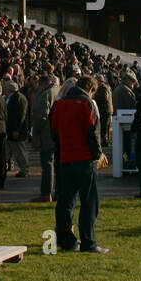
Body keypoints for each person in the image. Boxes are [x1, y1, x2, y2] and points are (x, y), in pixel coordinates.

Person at [50, 75, 108, 253]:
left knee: (66, 201)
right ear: (91, 89)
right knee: (89, 202)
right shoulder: (86, 103)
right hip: (84, 158)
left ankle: (67, 241)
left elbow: (54, 131)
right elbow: (92, 131)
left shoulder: (58, 104)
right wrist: (98, 154)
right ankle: (88, 242)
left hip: (65, 158)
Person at [27, 74, 58, 202]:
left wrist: (36, 130)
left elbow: (41, 115)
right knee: (57, 165)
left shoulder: (46, 94)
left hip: (47, 133)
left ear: (42, 83)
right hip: (57, 132)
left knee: (47, 164)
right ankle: (58, 192)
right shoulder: (58, 90)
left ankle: (45, 193)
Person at [4, 79, 30, 178]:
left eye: (5, 87)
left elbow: (20, 116)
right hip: (10, 129)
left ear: (10, 89)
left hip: (16, 130)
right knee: (7, 150)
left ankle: (24, 169)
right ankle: (2, 166)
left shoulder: (19, 98)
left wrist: (16, 130)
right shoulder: (10, 97)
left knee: (20, 151)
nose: (4, 89)